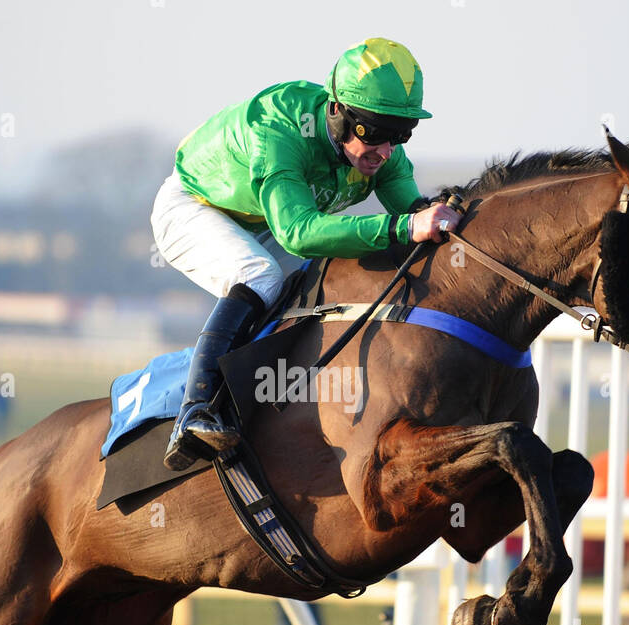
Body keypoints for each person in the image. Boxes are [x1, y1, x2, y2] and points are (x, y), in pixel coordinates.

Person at [153, 37, 463, 470]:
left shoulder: (383, 151)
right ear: (337, 111)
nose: (386, 151)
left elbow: (413, 213)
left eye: (400, 135)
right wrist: (405, 226)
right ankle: (196, 411)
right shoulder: (280, 127)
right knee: (260, 277)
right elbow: (297, 232)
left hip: (264, 223)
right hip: (194, 206)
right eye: (372, 132)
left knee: (319, 285)